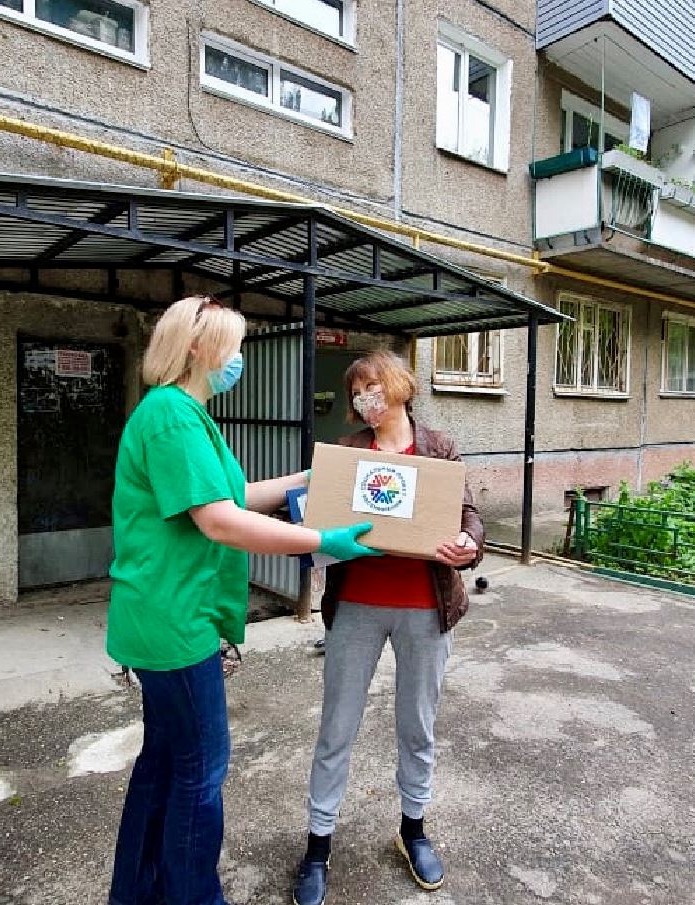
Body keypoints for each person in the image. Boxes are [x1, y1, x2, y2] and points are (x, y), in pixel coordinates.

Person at [106, 295, 378, 905]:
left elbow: (238, 494)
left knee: (163, 765)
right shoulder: (174, 417)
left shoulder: (182, 414)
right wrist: (321, 540)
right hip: (174, 625)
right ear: (199, 349)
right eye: (231, 346)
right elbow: (221, 521)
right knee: (199, 773)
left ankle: (139, 892)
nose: (238, 359)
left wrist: (310, 478)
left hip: (165, 617)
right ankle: (194, 896)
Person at [292, 350, 484, 905]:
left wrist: (468, 545)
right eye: (356, 392)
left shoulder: (439, 446)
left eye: (372, 386)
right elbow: (316, 520)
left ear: (400, 385)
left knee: (418, 725)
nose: (363, 398)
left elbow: (467, 514)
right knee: (337, 727)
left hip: (426, 608)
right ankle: (318, 842)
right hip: (357, 608)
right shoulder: (348, 453)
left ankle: (413, 828)